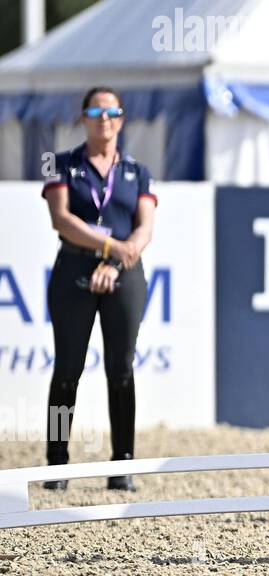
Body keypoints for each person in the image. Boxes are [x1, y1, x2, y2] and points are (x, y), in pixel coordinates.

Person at [40, 87, 157, 491]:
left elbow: (144, 227)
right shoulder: (59, 163)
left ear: (121, 119)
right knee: (67, 370)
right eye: (94, 111)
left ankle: (123, 461)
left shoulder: (137, 171)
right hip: (74, 267)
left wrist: (117, 259)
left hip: (124, 271)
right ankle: (57, 462)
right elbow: (61, 219)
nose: (103, 118)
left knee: (121, 370)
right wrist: (109, 247)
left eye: (111, 112)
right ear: (83, 117)